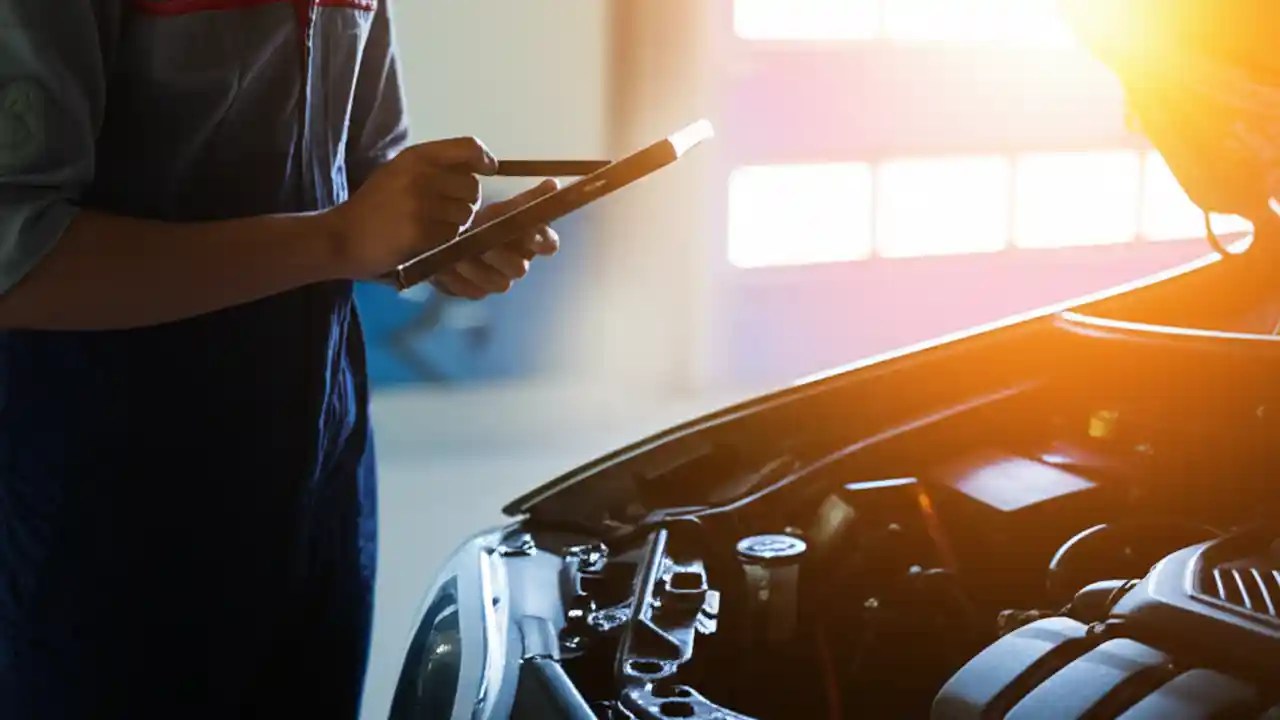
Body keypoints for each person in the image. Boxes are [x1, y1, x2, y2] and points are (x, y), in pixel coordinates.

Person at [0, 1, 559, 717]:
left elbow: (357, 186)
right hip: (101, 514)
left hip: (320, 486)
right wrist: (336, 239)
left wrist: (430, 240)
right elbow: (19, 256)